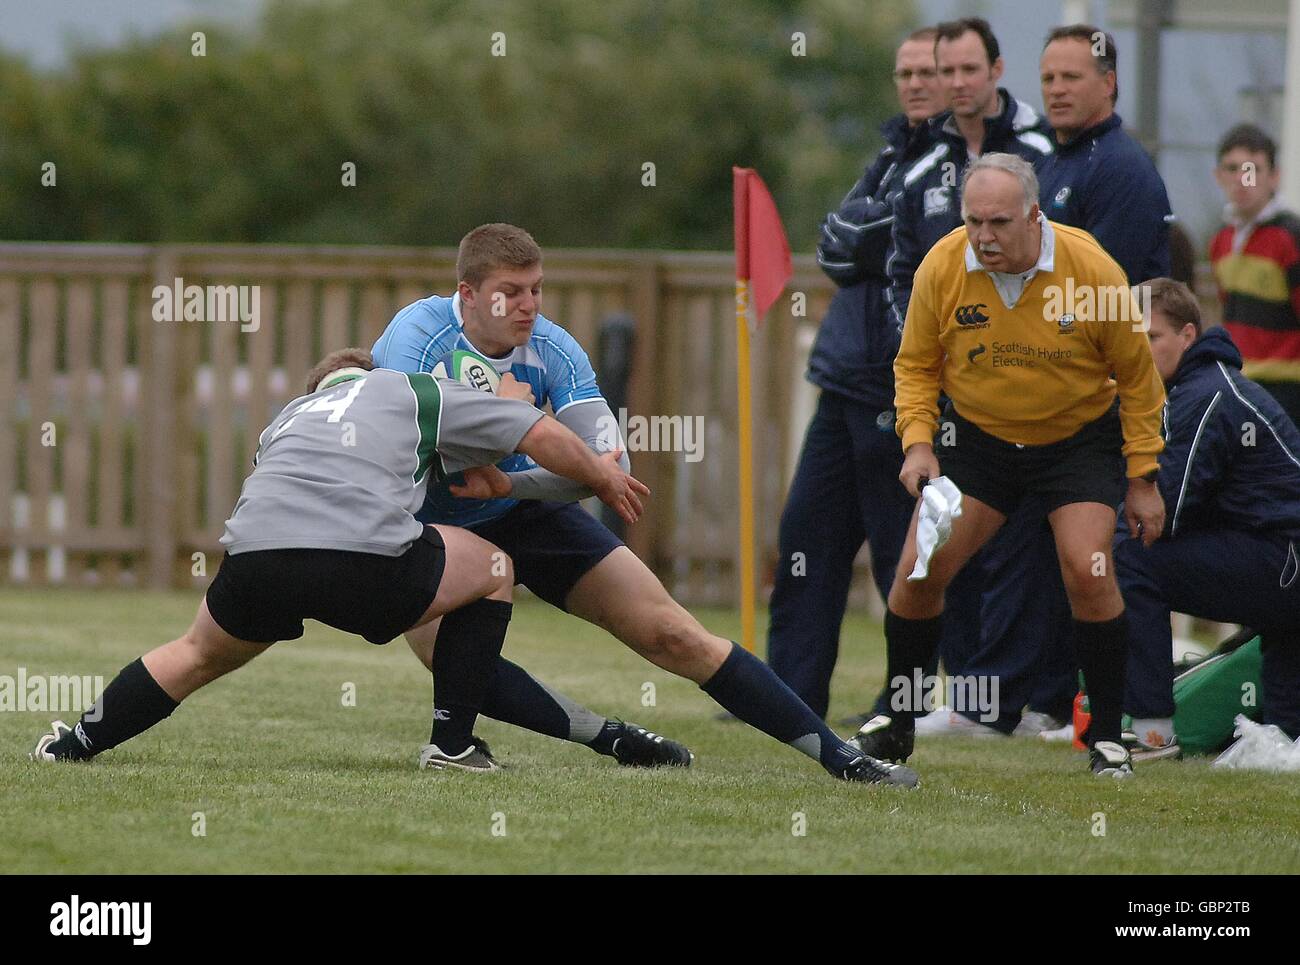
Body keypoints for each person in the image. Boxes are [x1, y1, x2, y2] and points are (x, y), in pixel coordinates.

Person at [372, 223, 917, 785]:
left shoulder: (555, 349)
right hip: (428, 519)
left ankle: (844, 759)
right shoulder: (418, 334)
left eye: (536, 288)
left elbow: (611, 471)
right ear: (467, 293)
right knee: (456, 663)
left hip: (525, 508)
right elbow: (397, 433)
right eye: (509, 291)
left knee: (674, 634)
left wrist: (514, 485)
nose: (528, 305)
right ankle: (612, 739)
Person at [32, 349, 653, 771]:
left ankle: (75, 744)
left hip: (258, 555)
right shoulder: (408, 388)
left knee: (194, 654)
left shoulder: (286, 418)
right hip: (362, 561)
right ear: (370, 372)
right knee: (493, 568)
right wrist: (600, 475)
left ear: (318, 389)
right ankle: (452, 748)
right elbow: (535, 432)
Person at [857, 153, 1167, 777]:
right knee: (919, 570)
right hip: (981, 442)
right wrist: (918, 443)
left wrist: (1142, 479)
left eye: (999, 222)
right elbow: (915, 365)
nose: (983, 237)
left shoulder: (1094, 271)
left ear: (1035, 215)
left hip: (1077, 441)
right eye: (974, 221)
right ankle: (899, 715)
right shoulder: (943, 265)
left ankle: (1107, 738)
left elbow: (1139, 381)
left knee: (1088, 568)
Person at [919, 24, 1178, 740]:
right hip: (1016, 414)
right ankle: (1013, 703)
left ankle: (1108, 717)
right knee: (1008, 562)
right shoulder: (1052, 163)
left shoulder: (1119, 170)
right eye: (1050, 78)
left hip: (1092, 415)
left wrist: (1136, 464)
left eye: (1073, 77)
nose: (1058, 90)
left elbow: (1118, 322)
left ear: (1109, 83)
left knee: (1088, 564)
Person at [767, 26, 950, 721]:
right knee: (807, 538)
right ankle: (786, 693)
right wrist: (875, 237)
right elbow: (837, 240)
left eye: (927, 73)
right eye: (903, 72)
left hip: (895, 384)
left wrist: (878, 238)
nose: (912, 85)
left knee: (901, 552)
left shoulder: (958, 163)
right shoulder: (887, 153)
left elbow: (916, 250)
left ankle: (904, 700)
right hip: (843, 374)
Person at [1116, 278, 1300, 744]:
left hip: (1283, 561)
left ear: (1188, 336)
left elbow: (1163, 516)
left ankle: (1151, 729)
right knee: (1283, 737)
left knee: (1131, 558)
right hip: (1280, 557)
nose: (1139, 351)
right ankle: (1282, 735)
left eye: (1151, 338)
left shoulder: (1204, 395)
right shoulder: (1204, 386)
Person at [1210, 123, 1300, 425]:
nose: (1242, 179)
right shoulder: (1221, 241)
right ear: (1218, 176)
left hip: (1288, 389)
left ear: (1274, 177)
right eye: (1232, 168)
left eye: (1253, 169)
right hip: (1240, 385)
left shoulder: (1290, 237)